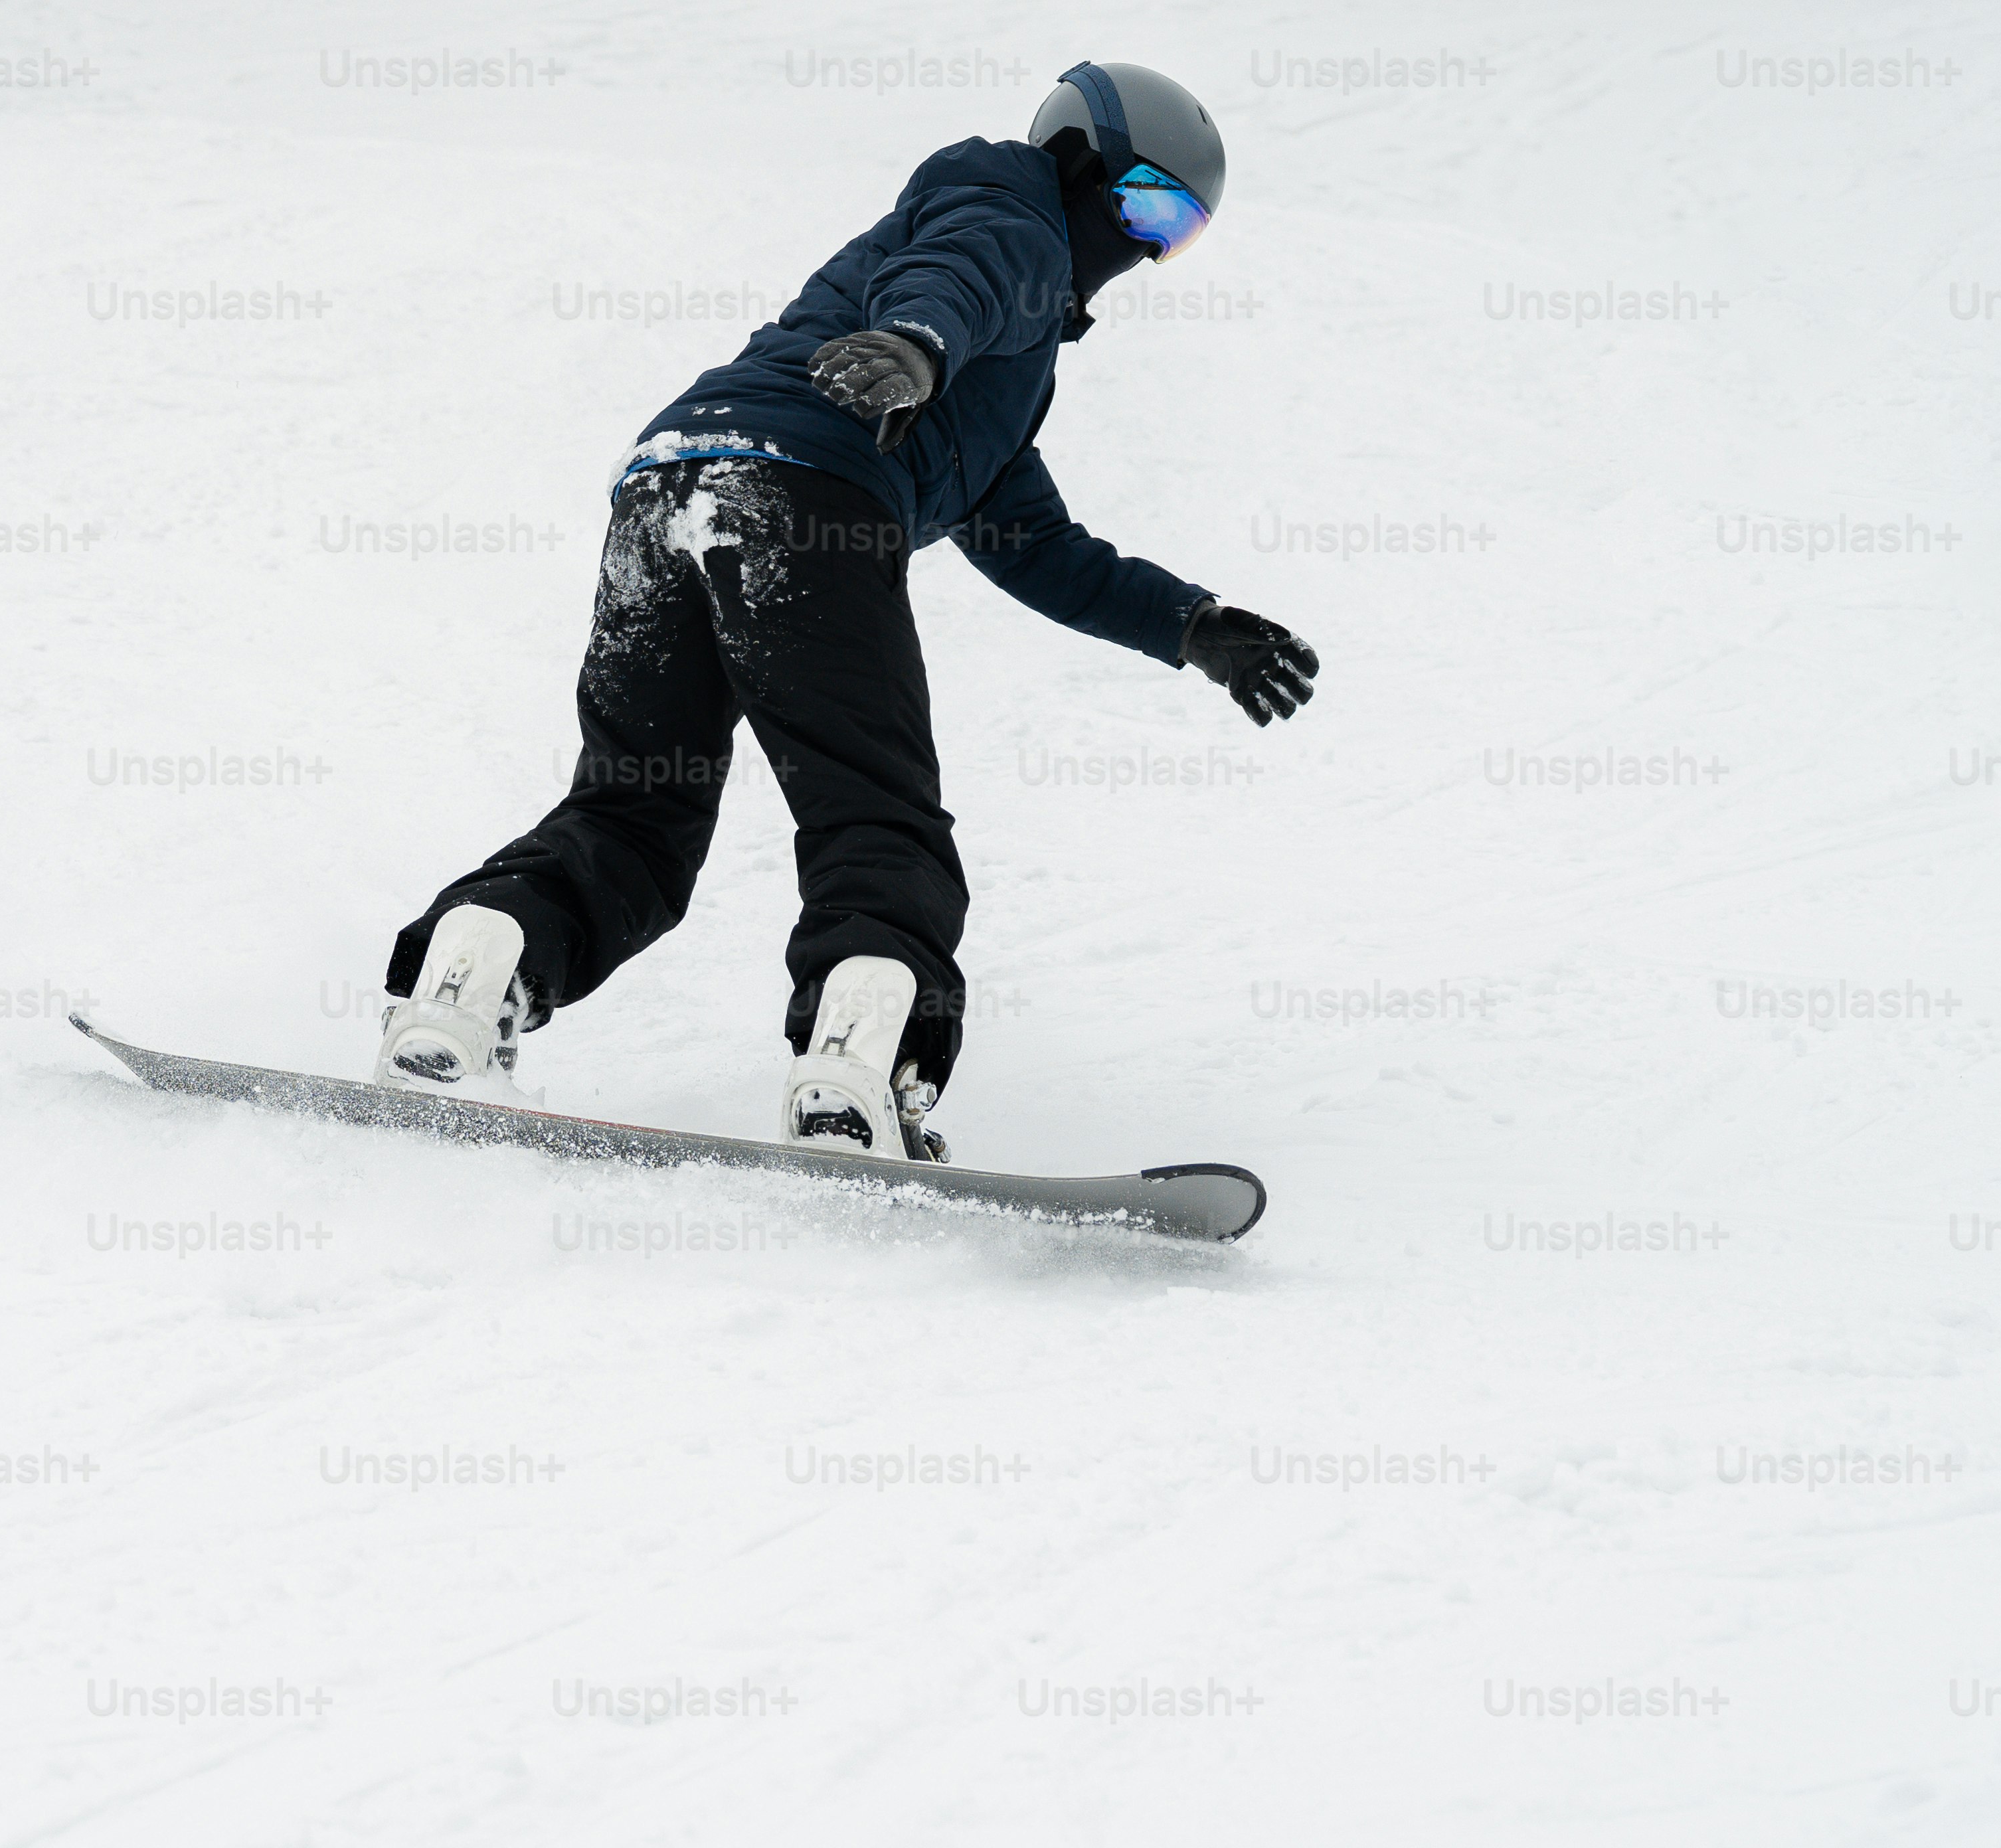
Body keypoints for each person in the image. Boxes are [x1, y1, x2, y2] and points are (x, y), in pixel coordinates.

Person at [371, 61, 1321, 1159]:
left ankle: (468, 980)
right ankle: (855, 1074)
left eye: (1181, 235)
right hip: (803, 498)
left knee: (635, 811)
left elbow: (1037, 544)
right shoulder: (1007, 204)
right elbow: (959, 272)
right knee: (877, 821)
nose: (1149, 250)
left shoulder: (999, 381)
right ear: (1079, 162)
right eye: (1149, 208)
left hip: (669, 489)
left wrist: (1192, 626)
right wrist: (916, 344)